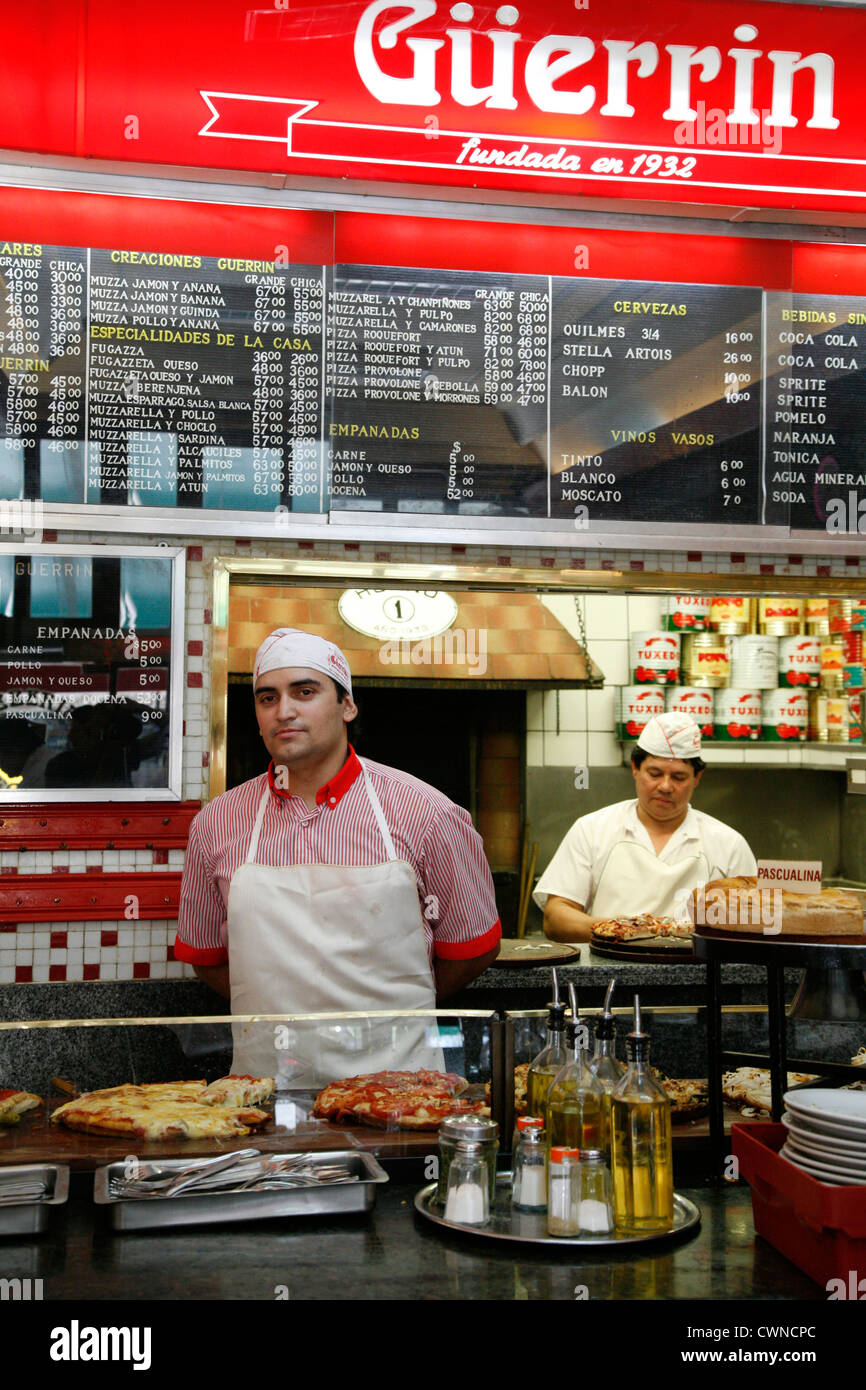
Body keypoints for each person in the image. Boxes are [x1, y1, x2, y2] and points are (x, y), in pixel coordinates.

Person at [174, 628, 501, 1079]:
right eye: (267, 698)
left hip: (399, 1094)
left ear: (347, 705)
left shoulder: (427, 813)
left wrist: (391, 1012)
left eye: (304, 692)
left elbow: (471, 949)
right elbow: (206, 956)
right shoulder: (217, 823)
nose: (284, 711)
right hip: (265, 1092)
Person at [534, 711, 757, 942]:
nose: (666, 786)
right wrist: (624, 930)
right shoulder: (592, 829)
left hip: (695, 973)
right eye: (655, 773)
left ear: (697, 777)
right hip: (610, 972)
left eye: (679, 777)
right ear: (635, 768)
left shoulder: (729, 844)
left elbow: (755, 920)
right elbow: (556, 917)